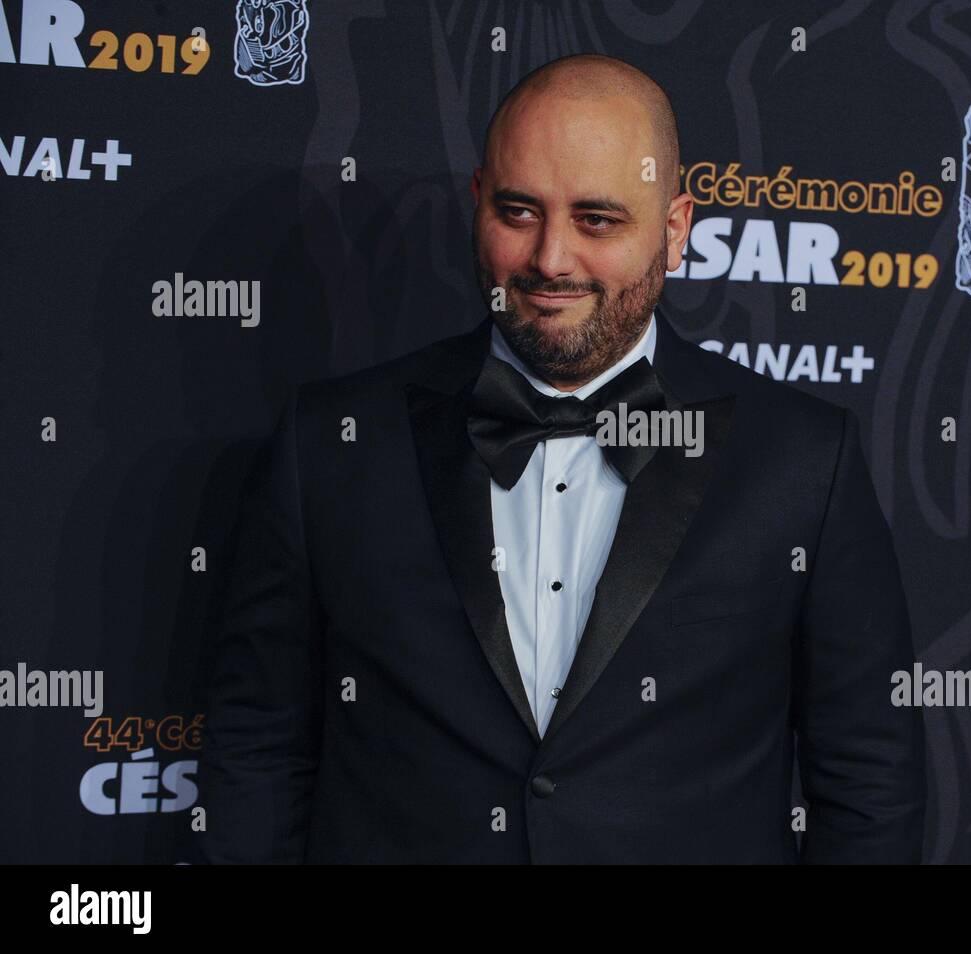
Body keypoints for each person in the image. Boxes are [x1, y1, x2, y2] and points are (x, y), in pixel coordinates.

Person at [196, 52, 925, 863]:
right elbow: (255, 752)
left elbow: (869, 784)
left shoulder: (801, 461)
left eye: (598, 220)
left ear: (676, 230)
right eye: (517, 212)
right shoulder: (332, 443)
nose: (550, 259)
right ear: (477, 203)